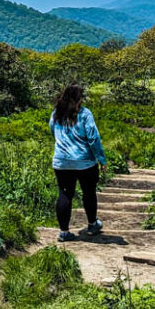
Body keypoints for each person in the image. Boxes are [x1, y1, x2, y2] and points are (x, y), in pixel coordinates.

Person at [49, 83, 105, 243]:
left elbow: (53, 131)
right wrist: (101, 158)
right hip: (85, 162)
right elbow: (93, 138)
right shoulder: (85, 114)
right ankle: (92, 224)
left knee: (65, 194)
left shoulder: (56, 114)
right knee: (89, 192)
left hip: (62, 162)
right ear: (79, 98)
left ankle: (64, 232)